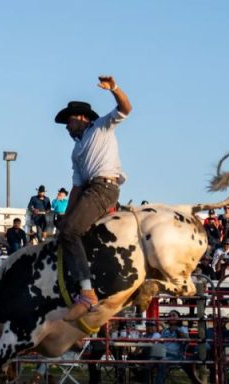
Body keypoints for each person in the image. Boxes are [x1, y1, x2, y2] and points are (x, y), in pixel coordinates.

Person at [54, 75, 131, 321]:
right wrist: (65, 218)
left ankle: (87, 293)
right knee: (68, 232)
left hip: (103, 188)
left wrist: (114, 88)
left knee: (70, 233)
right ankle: (92, 285)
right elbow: (76, 188)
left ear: (82, 118)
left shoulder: (101, 126)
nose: (67, 126)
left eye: (69, 121)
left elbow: (126, 108)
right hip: (93, 190)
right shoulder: (77, 150)